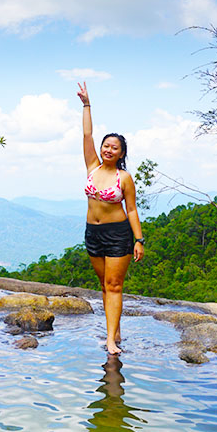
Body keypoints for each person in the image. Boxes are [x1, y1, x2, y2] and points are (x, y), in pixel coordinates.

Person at [77, 82, 144, 355]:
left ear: (121, 153)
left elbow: (132, 210)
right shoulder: (92, 167)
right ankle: (114, 331)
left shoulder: (124, 178)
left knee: (114, 286)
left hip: (118, 234)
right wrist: (86, 105)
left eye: (114, 148)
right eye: (106, 145)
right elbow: (87, 134)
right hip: (93, 234)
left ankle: (110, 340)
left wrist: (138, 240)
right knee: (104, 286)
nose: (108, 150)